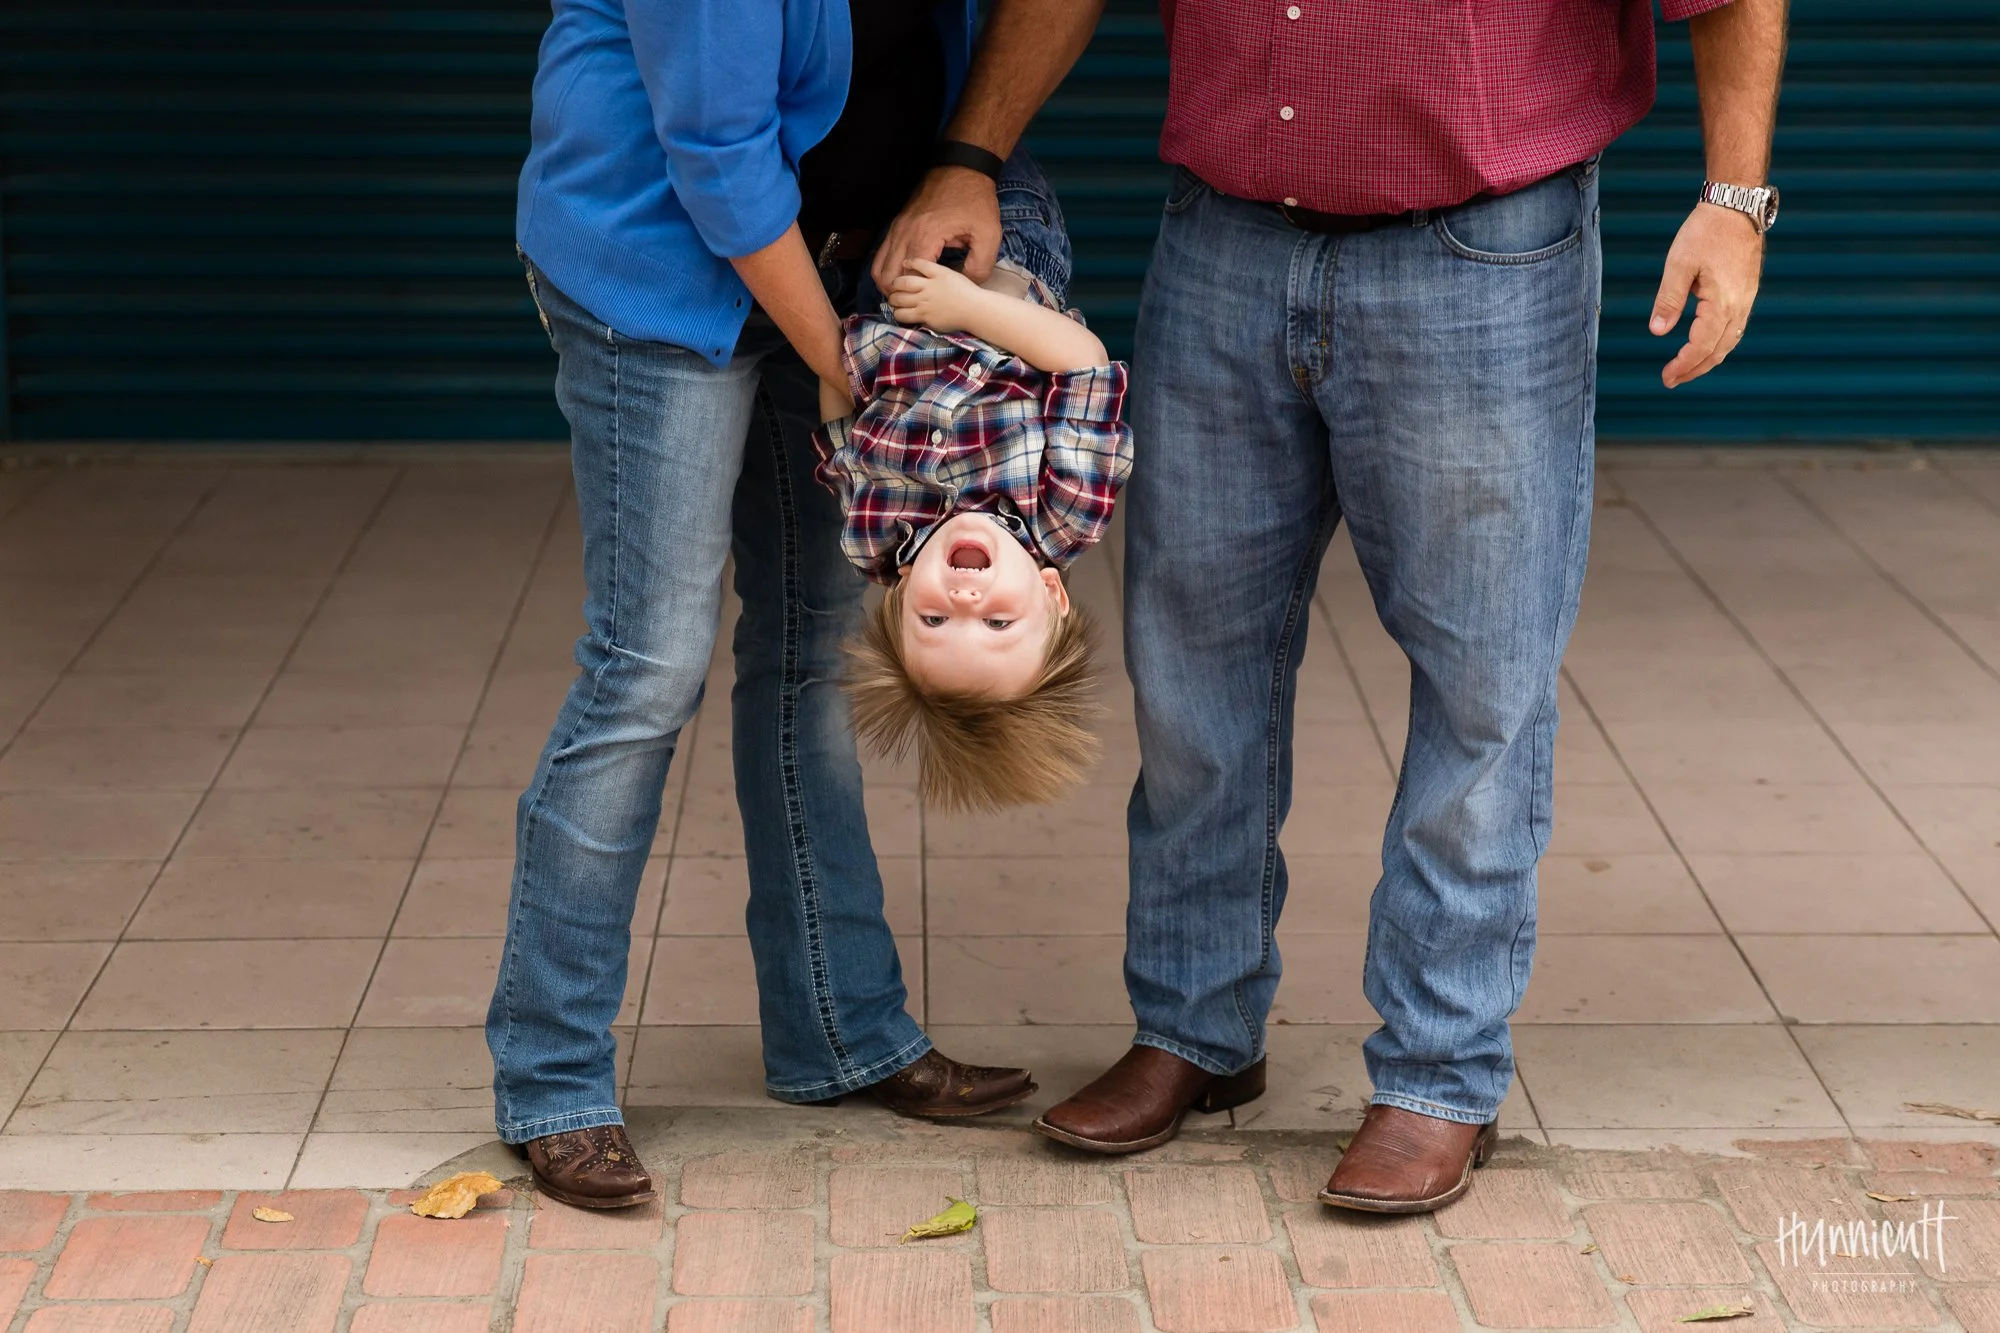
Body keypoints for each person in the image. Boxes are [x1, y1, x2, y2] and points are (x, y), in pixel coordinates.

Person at [876, 0, 1786, 1211]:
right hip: (1225, 244)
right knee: (1191, 664)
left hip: (1481, 253)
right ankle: (1194, 1027)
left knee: (1481, 688)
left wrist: (1731, 203)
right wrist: (969, 153)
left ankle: (1435, 1074)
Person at [486, 0, 1063, 1210]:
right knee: (646, 664)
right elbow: (714, 150)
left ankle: (839, 1032)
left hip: (842, 267)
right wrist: (845, 368)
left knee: (808, 645)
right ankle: (553, 1078)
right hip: (659, 268)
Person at [814, 155, 1134, 813]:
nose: (964, 596)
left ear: (901, 601)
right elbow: (1085, 364)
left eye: (935, 618)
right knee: (966, 114)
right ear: (1051, 595)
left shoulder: (876, 536)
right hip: (1001, 254)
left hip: (881, 276)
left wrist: (839, 341)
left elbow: (841, 427)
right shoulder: (1064, 513)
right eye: (996, 620)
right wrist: (970, 305)